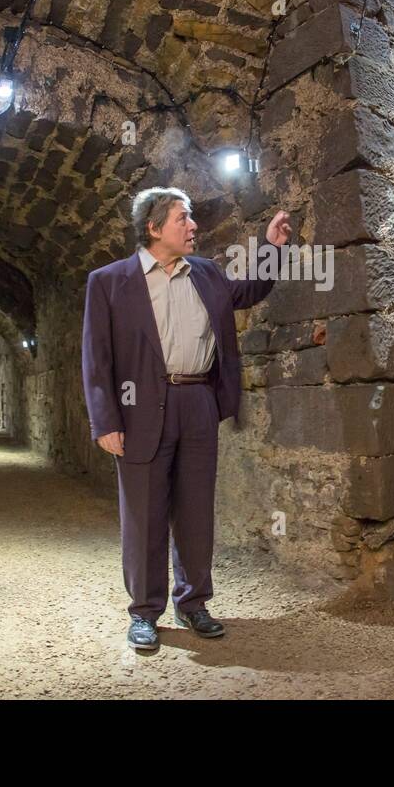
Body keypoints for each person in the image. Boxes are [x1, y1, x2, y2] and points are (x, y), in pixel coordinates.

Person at [82, 187, 291, 651]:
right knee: (144, 515)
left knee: (196, 511)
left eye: (191, 218)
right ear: (154, 228)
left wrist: (273, 249)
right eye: (183, 218)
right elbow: (96, 360)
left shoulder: (208, 273)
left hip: (197, 403)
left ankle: (194, 602)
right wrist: (105, 421)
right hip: (139, 411)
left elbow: (250, 290)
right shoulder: (109, 282)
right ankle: (144, 611)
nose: (193, 226)